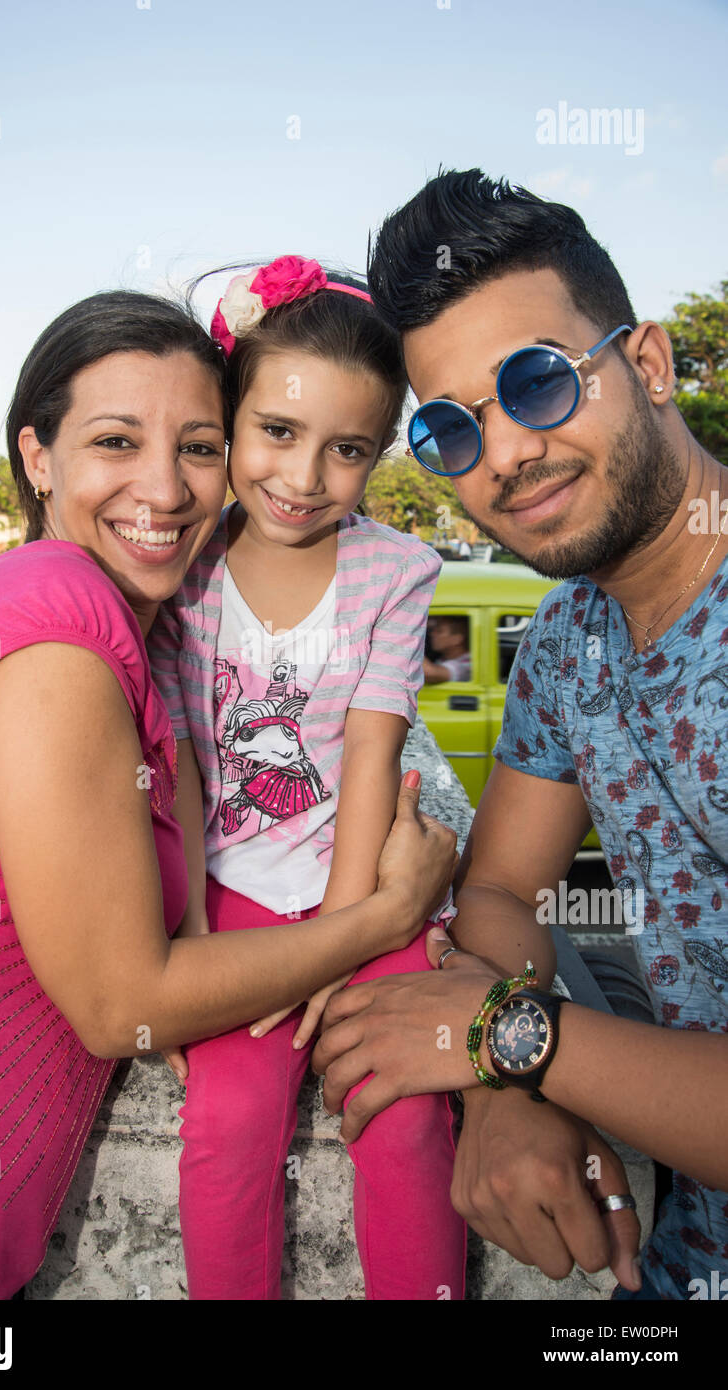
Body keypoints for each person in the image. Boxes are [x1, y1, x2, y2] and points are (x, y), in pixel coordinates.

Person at [0, 290, 456, 1300]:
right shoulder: (52, 613)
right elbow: (122, 1002)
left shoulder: (115, 614)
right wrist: (391, 912)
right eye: (113, 441)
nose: (163, 487)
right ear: (38, 457)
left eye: (195, 446)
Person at [313, 168, 728, 1302]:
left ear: (645, 365)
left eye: (539, 383)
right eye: (452, 428)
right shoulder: (566, 643)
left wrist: (509, 1036)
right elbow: (496, 890)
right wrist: (504, 1094)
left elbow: (499, 1004)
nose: (502, 456)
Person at [146, 255, 466, 1301]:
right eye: (277, 433)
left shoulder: (398, 571)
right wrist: (190, 933)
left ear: (376, 457)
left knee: (407, 1114)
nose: (303, 475)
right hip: (230, 893)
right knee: (229, 1120)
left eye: (346, 450)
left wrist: (340, 941)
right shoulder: (183, 569)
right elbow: (187, 761)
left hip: (358, 883)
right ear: (231, 422)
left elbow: (372, 751)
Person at [424, 614, 471, 683]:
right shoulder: (441, 658)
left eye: (439, 631)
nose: (432, 634)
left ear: (457, 639)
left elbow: (429, 673)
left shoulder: (467, 664)